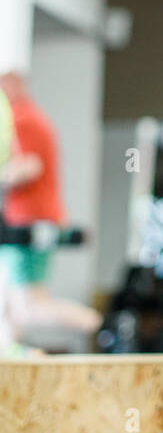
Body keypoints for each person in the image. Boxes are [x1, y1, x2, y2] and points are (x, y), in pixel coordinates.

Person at [0, 69, 99, 340]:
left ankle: (104, 327)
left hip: (28, 221)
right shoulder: (33, 117)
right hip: (29, 219)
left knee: (29, 308)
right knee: (10, 307)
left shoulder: (23, 118)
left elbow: (30, 166)